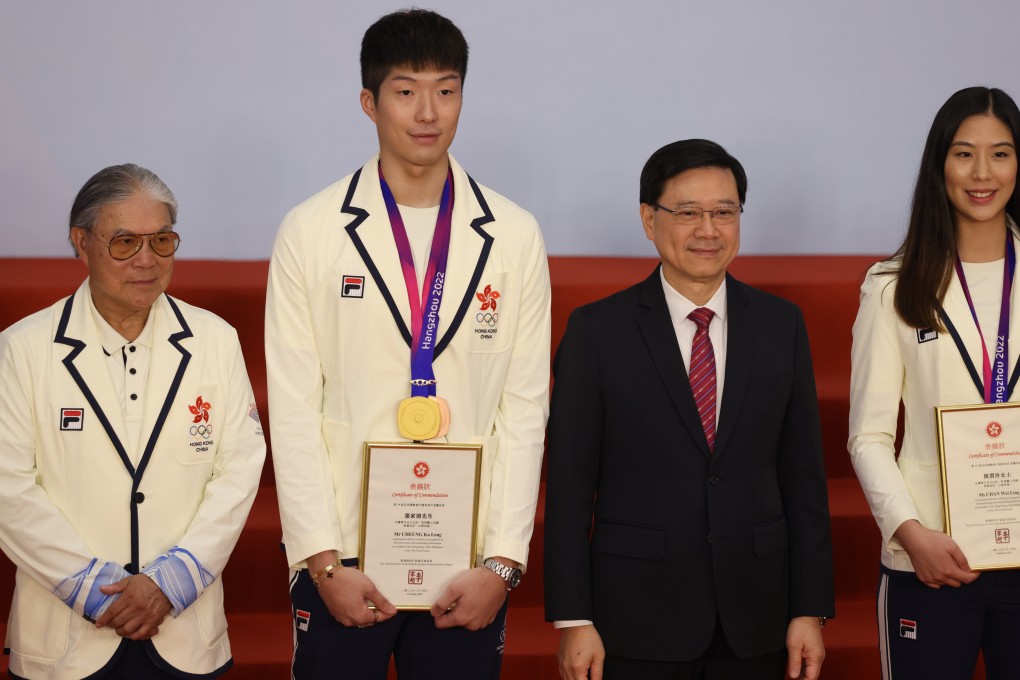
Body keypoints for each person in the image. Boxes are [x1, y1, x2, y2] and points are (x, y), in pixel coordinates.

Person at [265, 8, 551, 679]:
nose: (428, 112)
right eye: (405, 91)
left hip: (466, 558)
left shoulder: (513, 233)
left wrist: (502, 563)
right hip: (345, 553)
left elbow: (524, 406)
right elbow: (294, 406)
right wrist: (323, 560)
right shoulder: (310, 230)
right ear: (369, 102)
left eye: (446, 90)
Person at [544, 139, 834, 680]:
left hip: (758, 617)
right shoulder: (596, 331)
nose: (708, 229)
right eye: (688, 213)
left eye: (724, 212)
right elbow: (568, 486)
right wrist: (573, 617)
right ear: (649, 220)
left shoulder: (781, 326)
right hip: (634, 617)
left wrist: (808, 608)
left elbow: (804, 481)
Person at [0, 163, 265, 678]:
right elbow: (8, 485)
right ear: (82, 242)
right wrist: (94, 591)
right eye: (124, 242)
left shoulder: (215, 339)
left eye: (162, 240)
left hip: (185, 632)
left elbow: (239, 470)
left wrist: (170, 582)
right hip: (67, 637)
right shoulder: (23, 349)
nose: (147, 260)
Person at [850, 86, 1020, 679]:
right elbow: (867, 437)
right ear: (938, 164)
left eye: (1000, 154)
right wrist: (910, 532)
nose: (982, 173)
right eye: (963, 153)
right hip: (929, 556)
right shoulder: (892, 286)